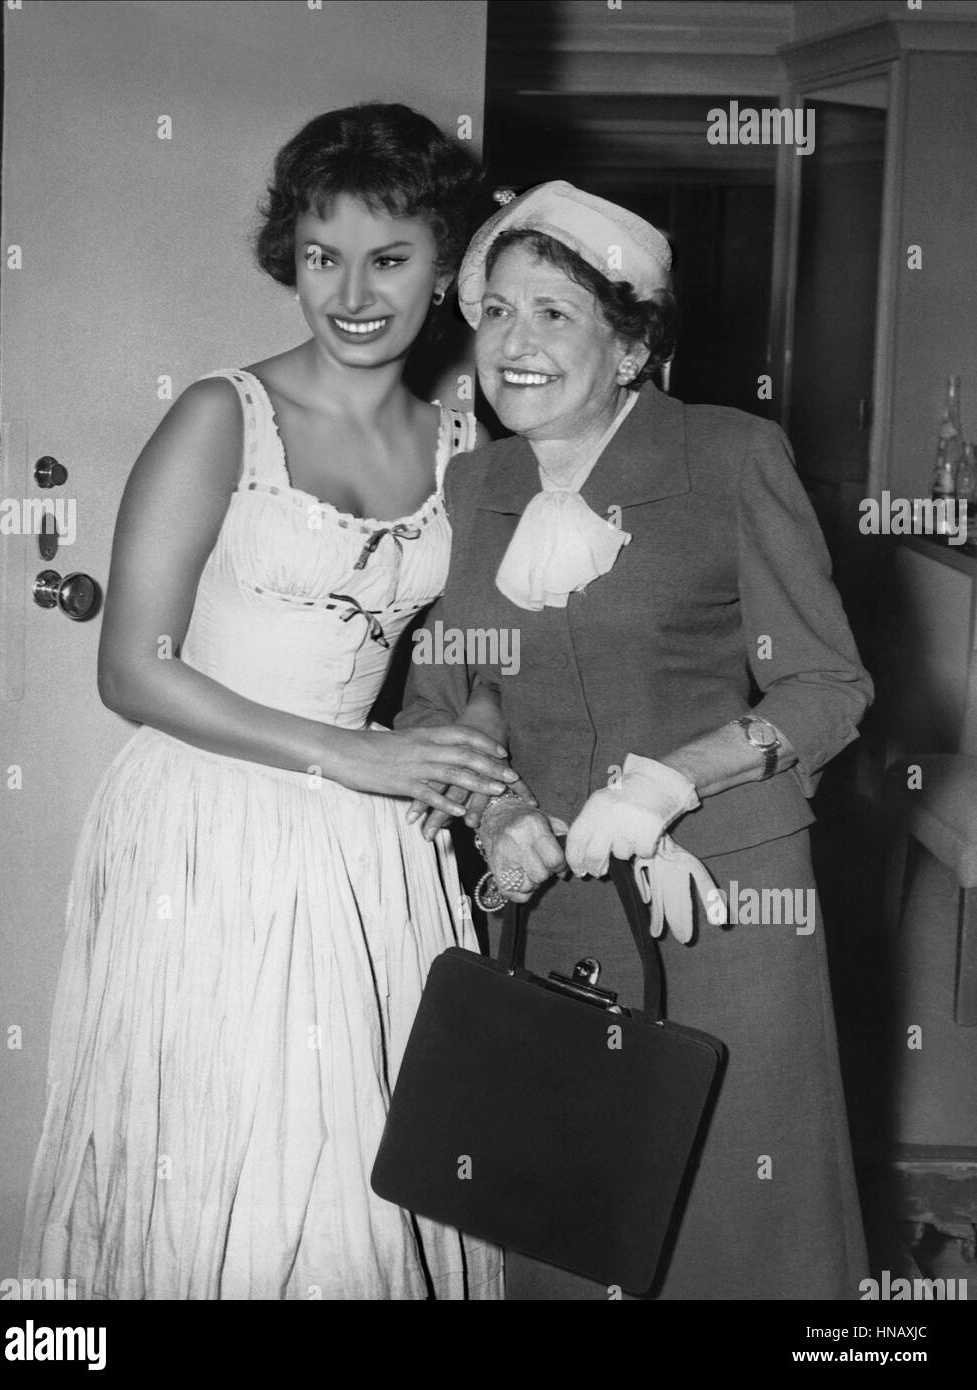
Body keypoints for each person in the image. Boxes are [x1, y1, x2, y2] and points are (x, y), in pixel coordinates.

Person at [18, 103, 512, 1301]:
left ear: (444, 265)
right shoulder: (214, 417)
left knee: (353, 1169)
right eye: (319, 255)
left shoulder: (465, 442)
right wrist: (350, 755)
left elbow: (491, 644)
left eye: (387, 258)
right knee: (218, 1162)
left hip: (370, 843)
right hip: (212, 824)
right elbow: (133, 668)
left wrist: (477, 734)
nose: (351, 291)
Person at [397, 181, 874, 1300]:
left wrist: (669, 780)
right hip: (548, 900)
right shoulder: (470, 485)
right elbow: (435, 701)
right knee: (559, 1214)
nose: (514, 343)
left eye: (553, 313)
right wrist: (495, 807)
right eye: (497, 311)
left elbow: (826, 684)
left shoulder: (727, 457)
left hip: (720, 898)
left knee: (735, 1218)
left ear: (629, 346)